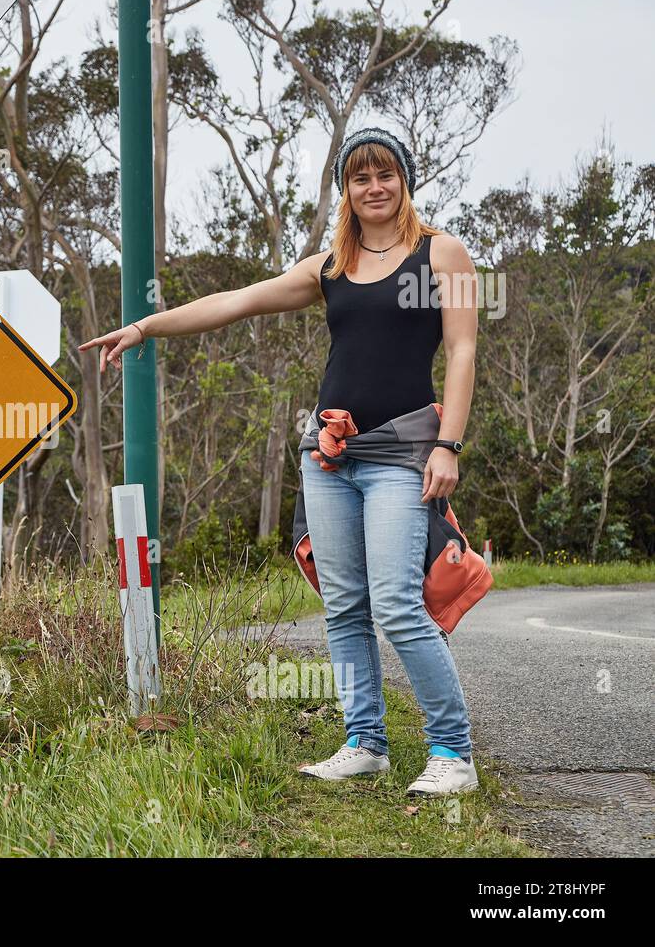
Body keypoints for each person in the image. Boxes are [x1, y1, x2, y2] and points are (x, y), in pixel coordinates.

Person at [78, 127, 481, 796]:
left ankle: (453, 754)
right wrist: (148, 325)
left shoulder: (443, 254)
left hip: (403, 453)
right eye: (360, 177)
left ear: (404, 181)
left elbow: (463, 351)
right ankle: (365, 742)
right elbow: (236, 302)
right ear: (345, 190)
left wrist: (449, 445)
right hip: (329, 455)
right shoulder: (331, 267)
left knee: (399, 606)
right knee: (345, 607)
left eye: (385, 175)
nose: (374, 187)